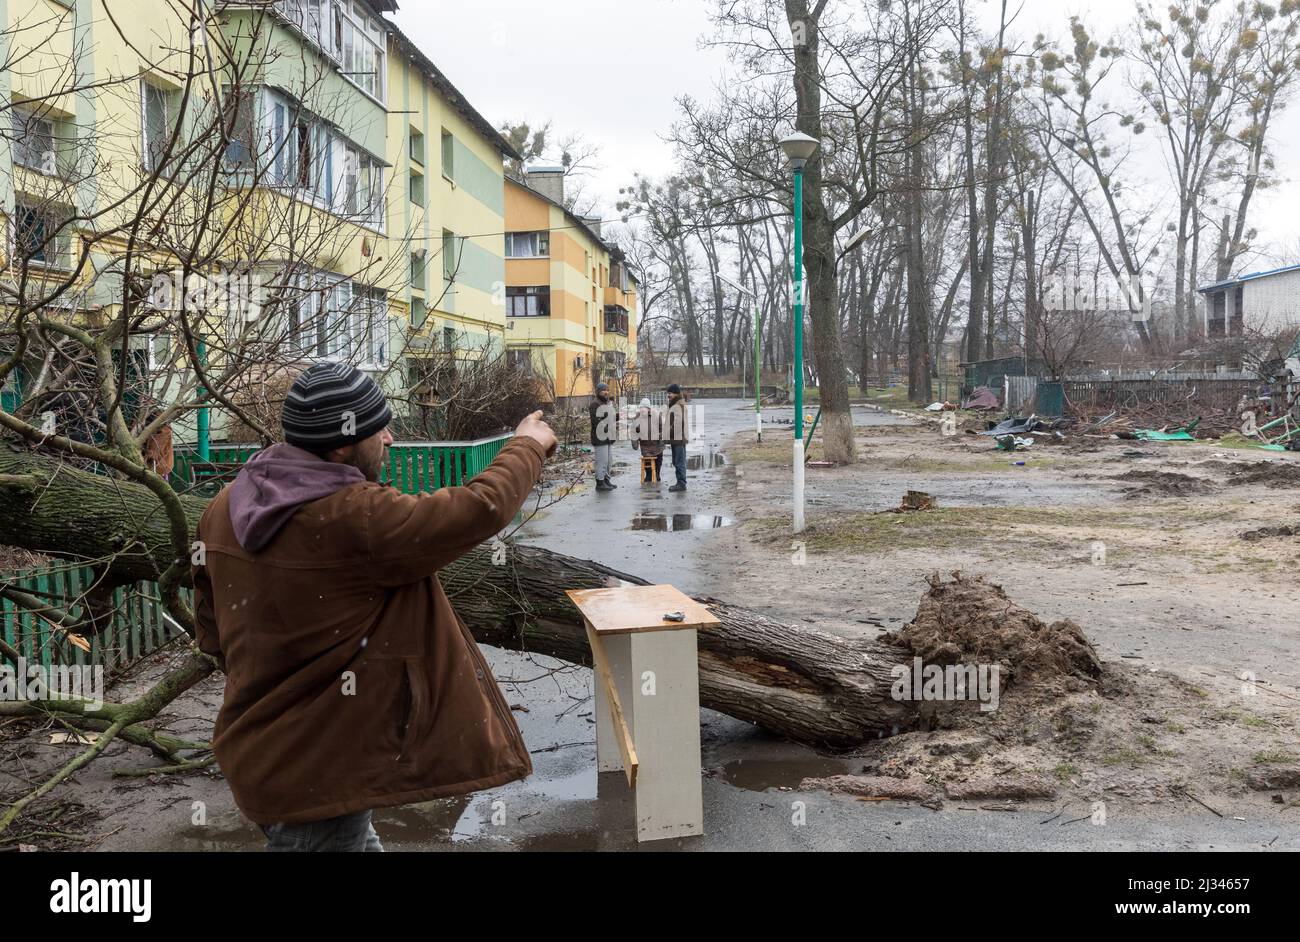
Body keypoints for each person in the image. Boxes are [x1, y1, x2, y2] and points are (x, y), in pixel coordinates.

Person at [191, 362, 556, 852]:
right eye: (376, 428)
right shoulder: (353, 518)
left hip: (271, 754)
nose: (389, 438)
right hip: (317, 775)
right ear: (341, 445)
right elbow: (478, 509)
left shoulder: (227, 504)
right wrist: (528, 444)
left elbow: (211, 627)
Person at [589, 381, 618, 491]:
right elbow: (597, 423)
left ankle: (606, 480)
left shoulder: (606, 404)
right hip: (600, 438)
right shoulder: (595, 404)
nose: (606, 392)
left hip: (608, 438)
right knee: (601, 461)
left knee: (609, 461)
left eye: (607, 390)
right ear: (598, 392)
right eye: (603, 390)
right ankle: (600, 483)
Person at [632, 397, 664, 484]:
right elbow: (634, 432)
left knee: (658, 458)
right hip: (645, 444)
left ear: (649, 409)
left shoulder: (656, 415)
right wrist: (635, 442)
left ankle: (657, 474)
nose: (642, 410)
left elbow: (662, 428)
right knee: (646, 459)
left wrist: (660, 435)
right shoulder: (637, 417)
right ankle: (649, 474)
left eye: (644, 408)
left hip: (656, 443)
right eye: (641, 408)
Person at [665, 383, 689, 492]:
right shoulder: (677, 404)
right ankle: (680, 482)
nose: (668, 395)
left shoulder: (678, 406)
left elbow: (678, 423)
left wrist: (668, 433)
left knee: (679, 461)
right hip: (677, 438)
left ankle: (681, 483)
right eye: (667, 393)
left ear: (675, 394)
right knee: (677, 461)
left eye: (670, 393)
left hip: (678, 438)